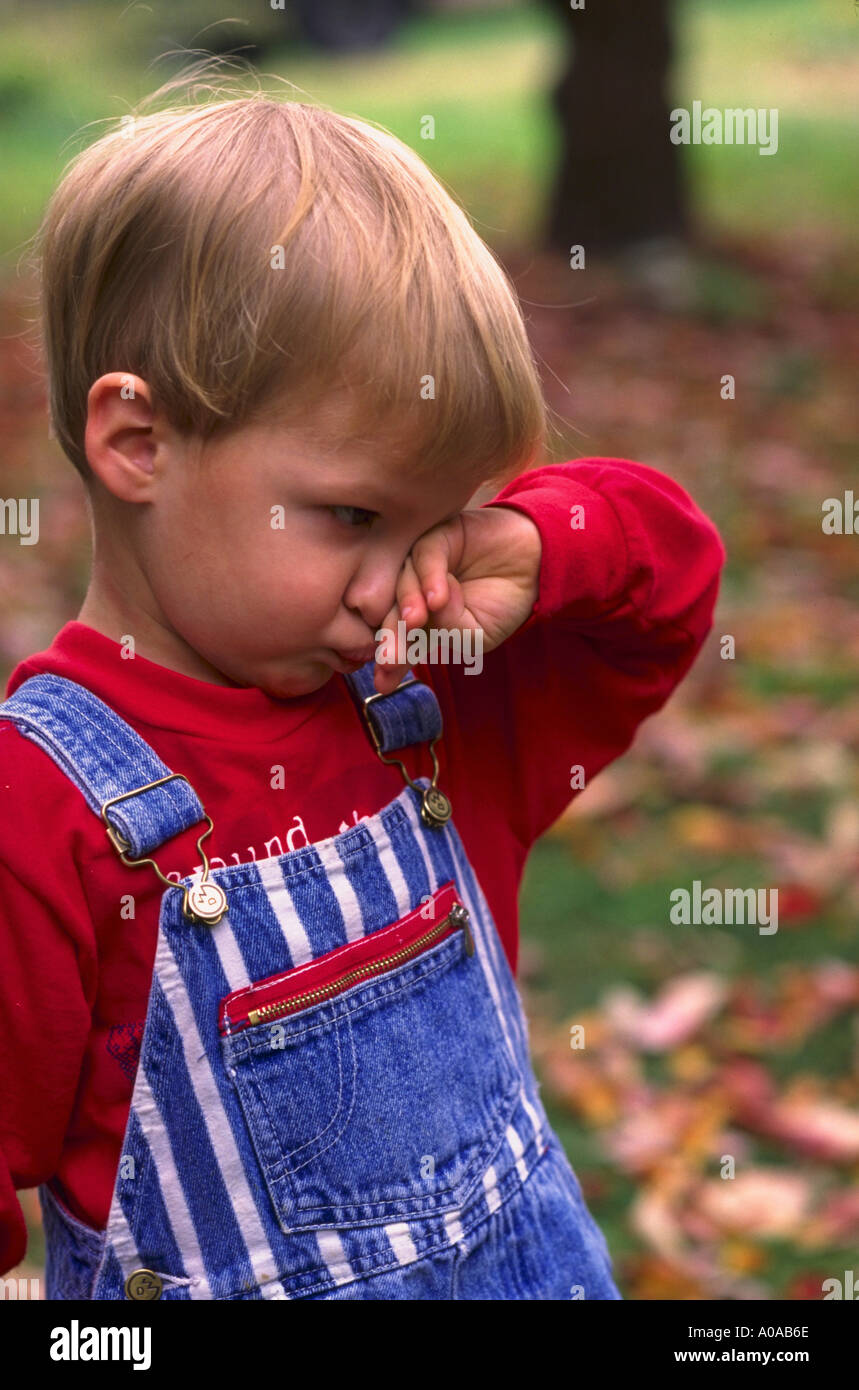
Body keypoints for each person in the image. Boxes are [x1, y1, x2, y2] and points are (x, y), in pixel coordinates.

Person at [0, 84, 725, 1300]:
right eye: (352, 517)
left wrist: (535, 545)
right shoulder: (40, 809)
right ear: (139, 444)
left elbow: (667, 579)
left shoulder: (430, 706)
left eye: (437, 518)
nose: (397, 583)